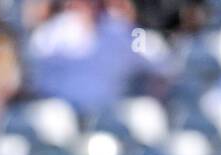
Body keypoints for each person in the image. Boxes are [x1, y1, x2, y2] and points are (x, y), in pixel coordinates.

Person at [24, 0, 157, 111]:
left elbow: (157, 59)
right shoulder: (53, 32)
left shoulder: (120, 30)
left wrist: (130, 19)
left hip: (109, 115)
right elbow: (32, 72)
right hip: (62, 114)